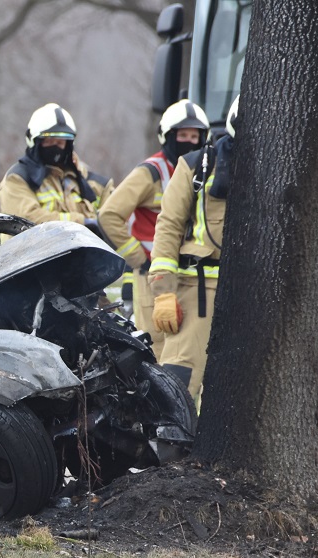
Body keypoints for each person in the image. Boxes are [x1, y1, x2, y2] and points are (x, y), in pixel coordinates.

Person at [99, 99, 210, 356]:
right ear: (167, 136)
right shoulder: (152, 171)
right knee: (158, 345)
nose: (189, 141)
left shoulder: (204, 171)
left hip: (190, 274)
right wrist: (139, 257)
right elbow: (110, 214)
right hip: (154, 275)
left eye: (196, 136)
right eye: (182, 135)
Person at [147, 96, 239, 401]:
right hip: (198, 290)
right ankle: (172, 446)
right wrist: (164, 292)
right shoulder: (197, 165)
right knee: (180, 379)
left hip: (251, 292)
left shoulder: (278, 168)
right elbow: (169, 225)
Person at [0, 103, 113, 232]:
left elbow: (113, 220)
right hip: (34, 251)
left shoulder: (93, 184)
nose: (55, 147)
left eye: (60, 142)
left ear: (69, 144)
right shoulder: (18, 179)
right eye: (49, 141)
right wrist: (82, 222)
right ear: (34, 141)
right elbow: (27, 219)